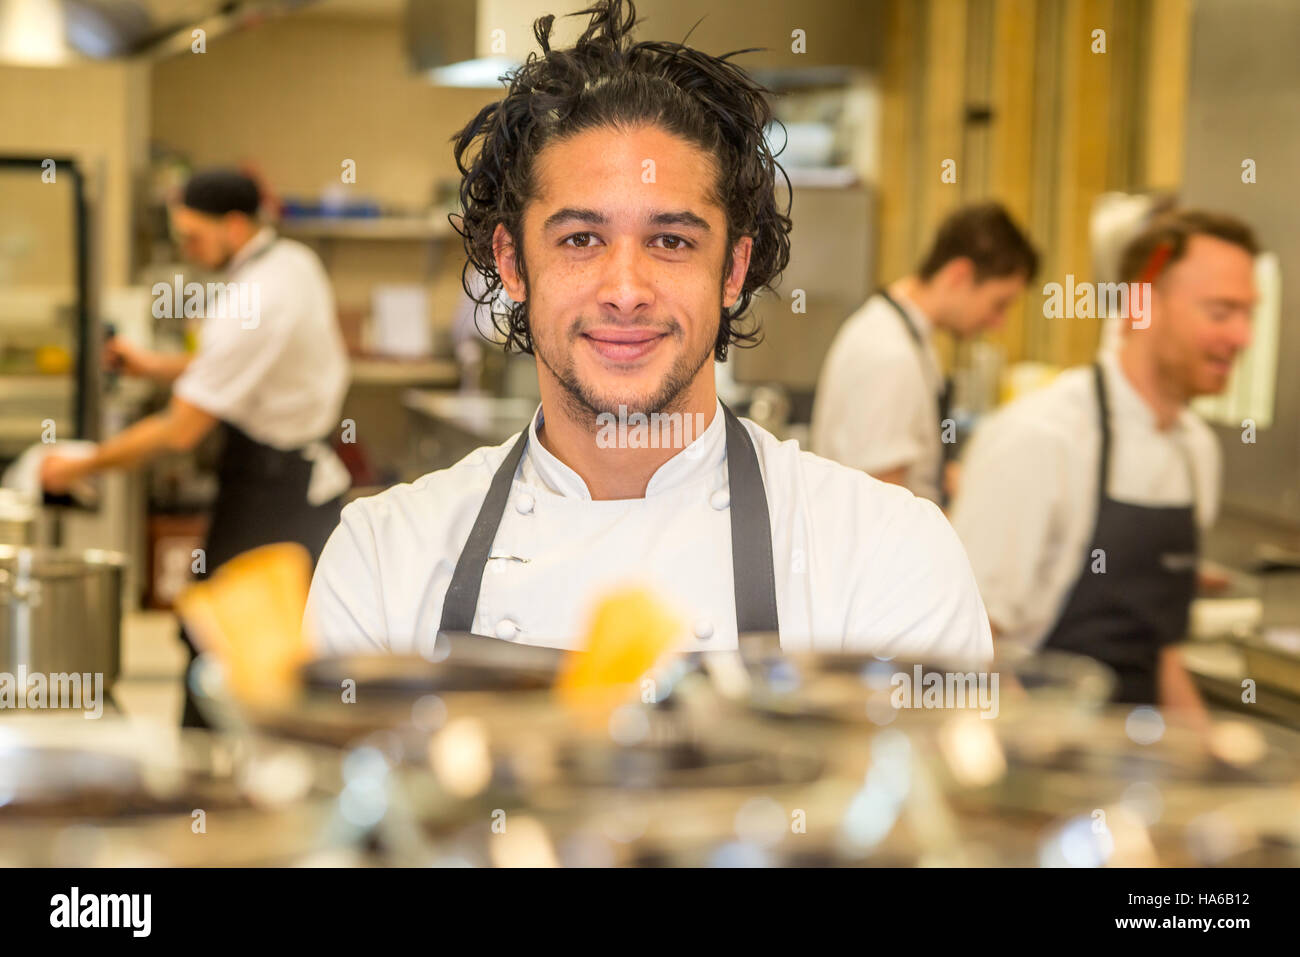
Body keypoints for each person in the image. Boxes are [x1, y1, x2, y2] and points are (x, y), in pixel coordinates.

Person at [305, 0, 992, 661]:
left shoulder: (887, 555)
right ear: (511, 264)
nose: (626, 291)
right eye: (580, 239)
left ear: (733, 269)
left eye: (670, 240)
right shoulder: (383, 561)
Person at [42, 169, 351, 726]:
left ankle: (207, 776)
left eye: (192, 235)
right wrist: (154, 364)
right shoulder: (290, 262)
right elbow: (240, 368)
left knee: (221, 634)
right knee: (253, 630)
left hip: (273, 487)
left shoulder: (258, 297)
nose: (187, 248)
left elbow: (179, 430)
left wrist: (79, 465)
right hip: (291, 474)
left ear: (234, 226)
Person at [950, 209, 1259, 714]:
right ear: (1140, 305)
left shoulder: (1196, 451)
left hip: (1139, 769)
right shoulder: (1037, 439)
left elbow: (1159, 654)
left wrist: (1210, 755)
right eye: (1221, 312)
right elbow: (967, 648)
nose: (1243, 336)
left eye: (1250, 314)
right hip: (1032, 765)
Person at [811, 203, 1038, 505]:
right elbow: (881, 507)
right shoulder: (889, 355)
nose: (998, 323)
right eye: (999, 304)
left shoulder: (911, 338)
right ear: (959, 275)